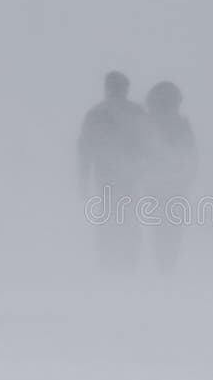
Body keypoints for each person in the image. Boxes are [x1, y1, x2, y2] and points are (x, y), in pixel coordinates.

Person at [78, 71, 149, 271]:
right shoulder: (136, 112)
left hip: (106, 178)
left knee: (109, 220)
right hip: (130, 177)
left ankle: (108, 263)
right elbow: (149, 145)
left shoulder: (95, 113)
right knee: (129, 221)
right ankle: (128, 263)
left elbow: (85, 149)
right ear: (125, 88)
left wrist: (83, 178)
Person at [144, 81, 197, 270]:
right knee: (171, 229)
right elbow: (191, 156)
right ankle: (167, 265)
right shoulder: (181, 124)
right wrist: (185, 176)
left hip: (158, 185)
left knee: (161, 228)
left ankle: (163, 264)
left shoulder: (149, 124)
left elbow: (142, 154)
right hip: (175, 186)